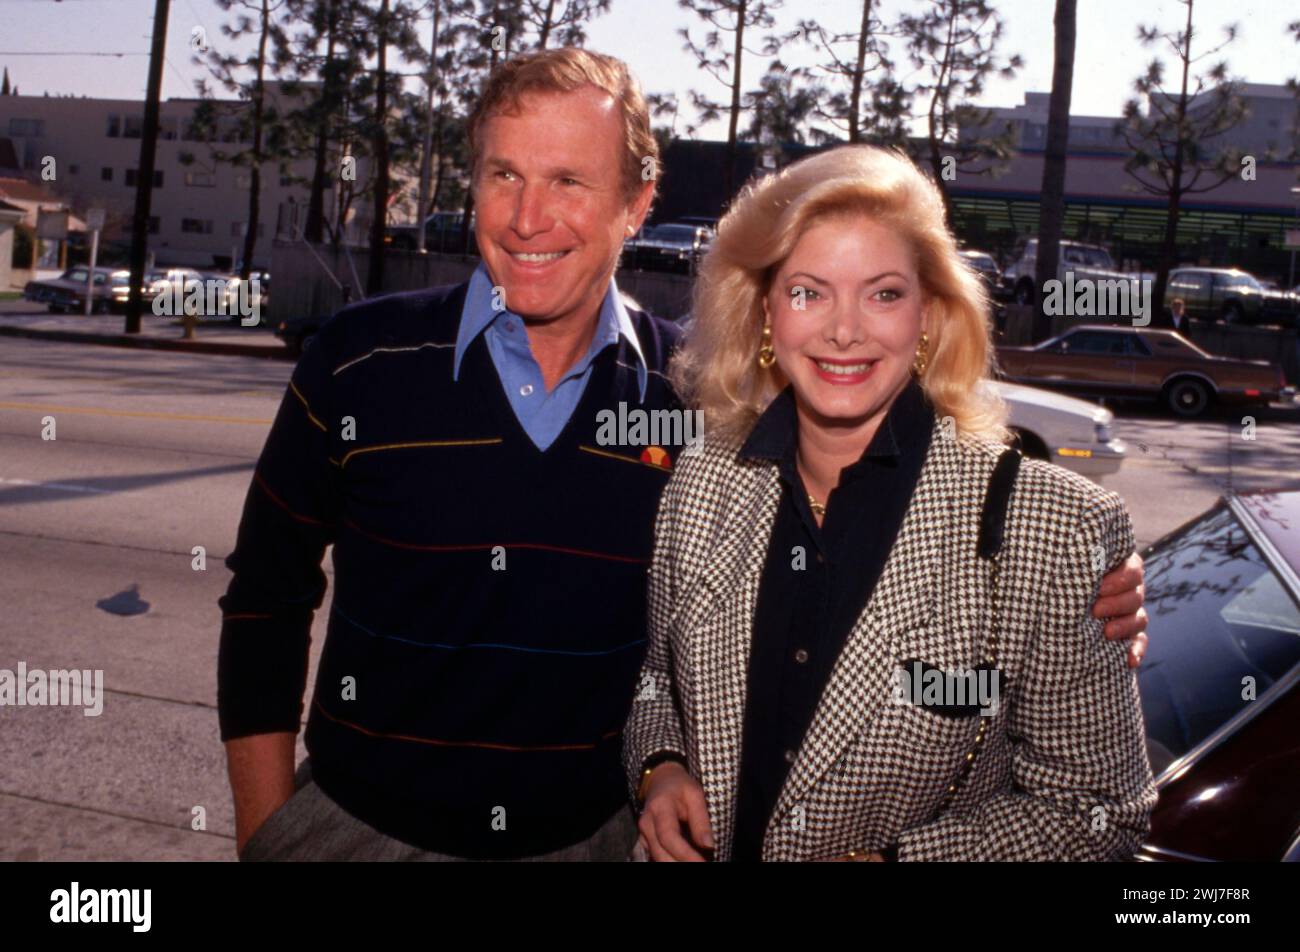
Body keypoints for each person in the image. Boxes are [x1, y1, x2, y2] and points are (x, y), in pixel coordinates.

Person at [218, 49, 1150, 862]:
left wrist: (1085, 594)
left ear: (638, 203)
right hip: (356, 835)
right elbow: (265, 598)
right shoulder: (357, 360)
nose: (529, 217)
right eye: (505, 176)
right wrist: (271, 836)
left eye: (570, 182)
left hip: (593, 847)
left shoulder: (693, 406)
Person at [625, 146, 1157, 862]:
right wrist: (659, 771)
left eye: (883, 293)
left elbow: (1099, 814)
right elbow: (657, 682)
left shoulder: (1056, 528)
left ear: (930, 315)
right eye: (809, 291)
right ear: (763, 314)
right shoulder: (702, 482)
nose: (845, 331)